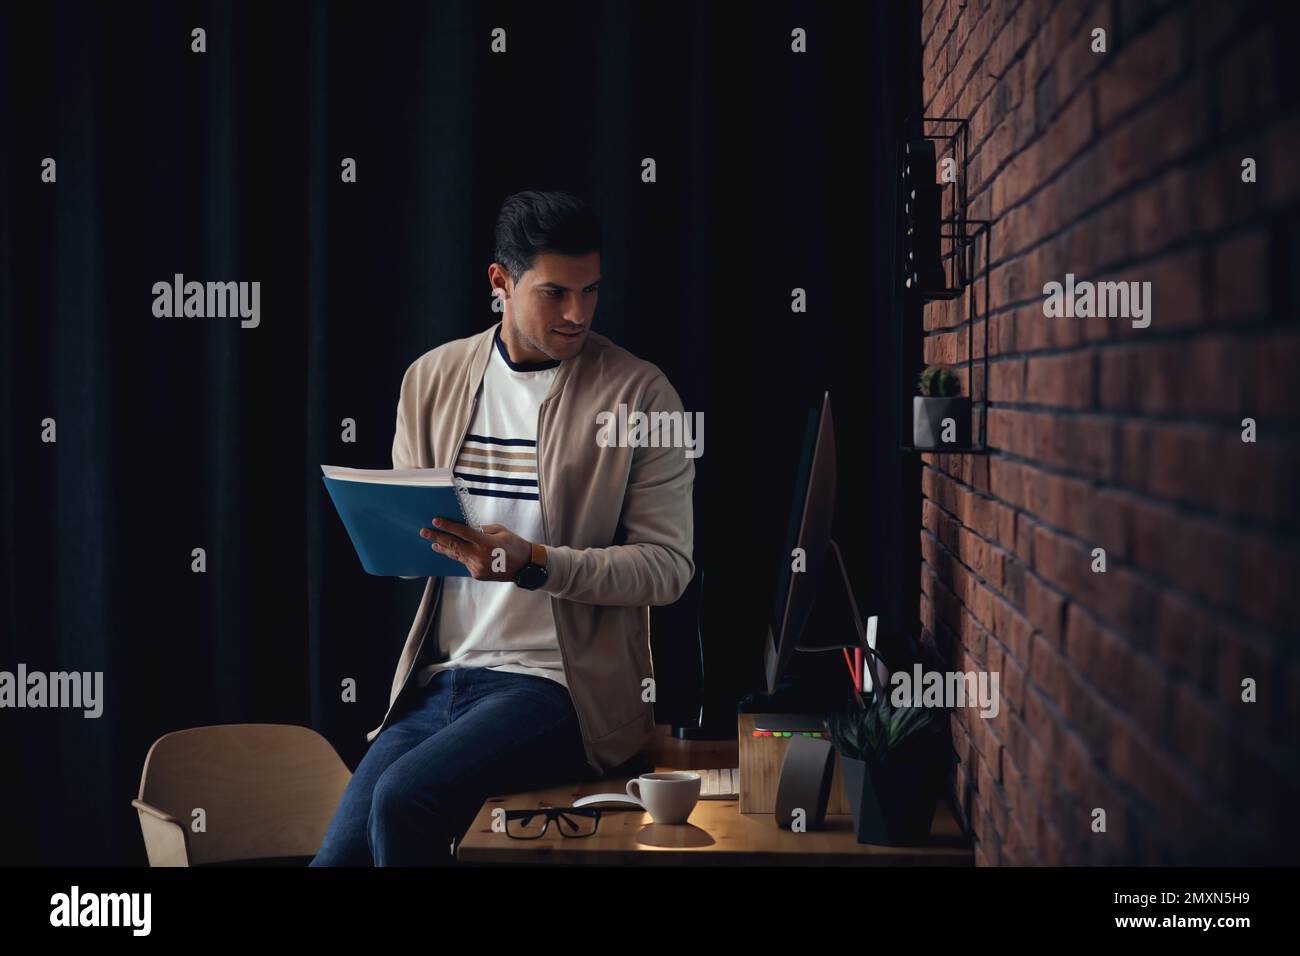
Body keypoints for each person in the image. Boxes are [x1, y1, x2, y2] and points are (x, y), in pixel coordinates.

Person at [311, 190, 696, 866]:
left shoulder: (640, 394)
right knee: (338, 858)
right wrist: (391, 534)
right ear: (500, 282)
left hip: (560, 691)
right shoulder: (430, 379)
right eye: (555, 293)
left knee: (404, 800)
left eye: (590, 291)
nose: (577, 313)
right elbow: (415, 552)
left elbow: (667, 567)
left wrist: (536, 562)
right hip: (441, 680)